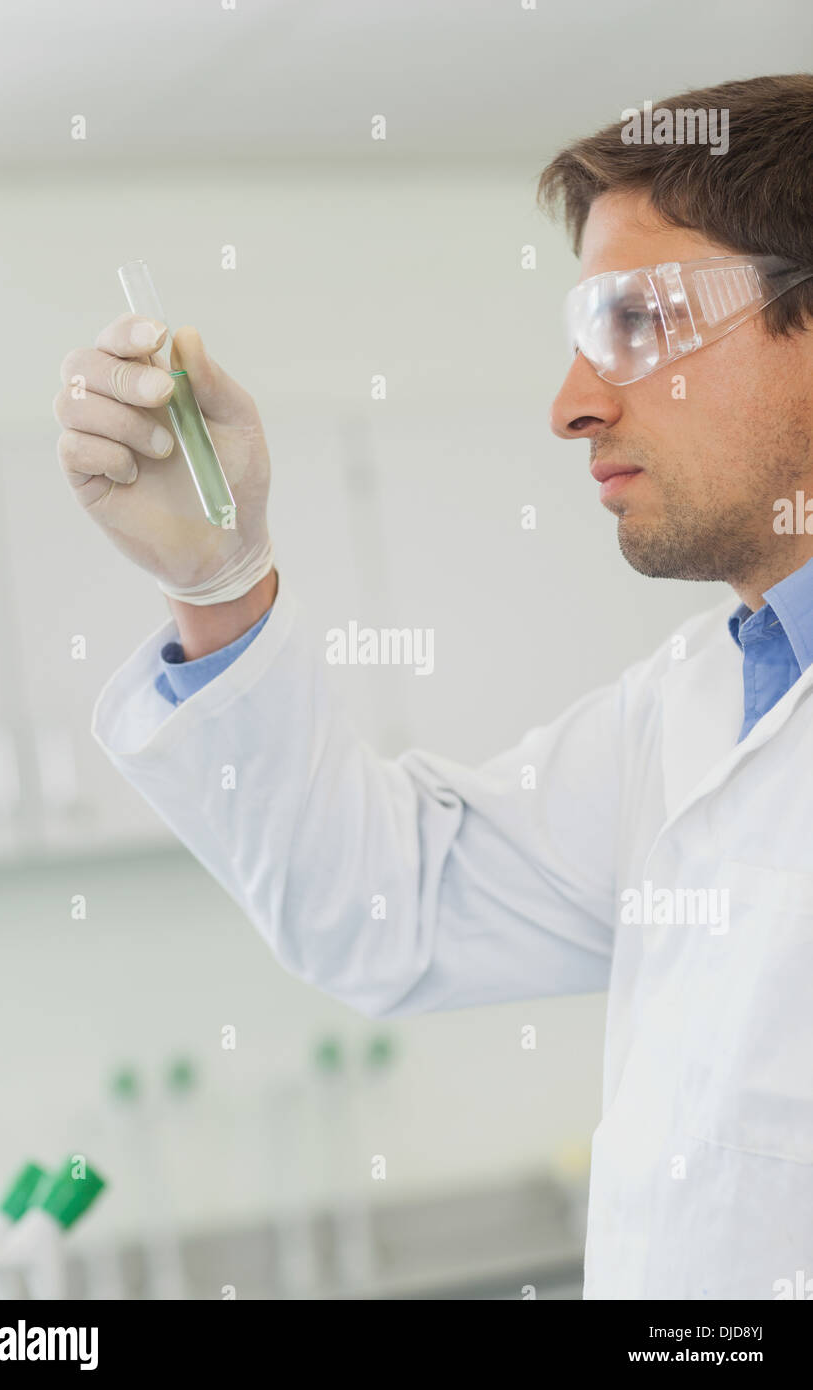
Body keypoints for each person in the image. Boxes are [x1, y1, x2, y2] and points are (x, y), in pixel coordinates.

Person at [53, 75, 813, 1300]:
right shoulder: (685, 711)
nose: (571, 404)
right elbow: (380, 904)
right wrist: (223, 579)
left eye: (638, 321)